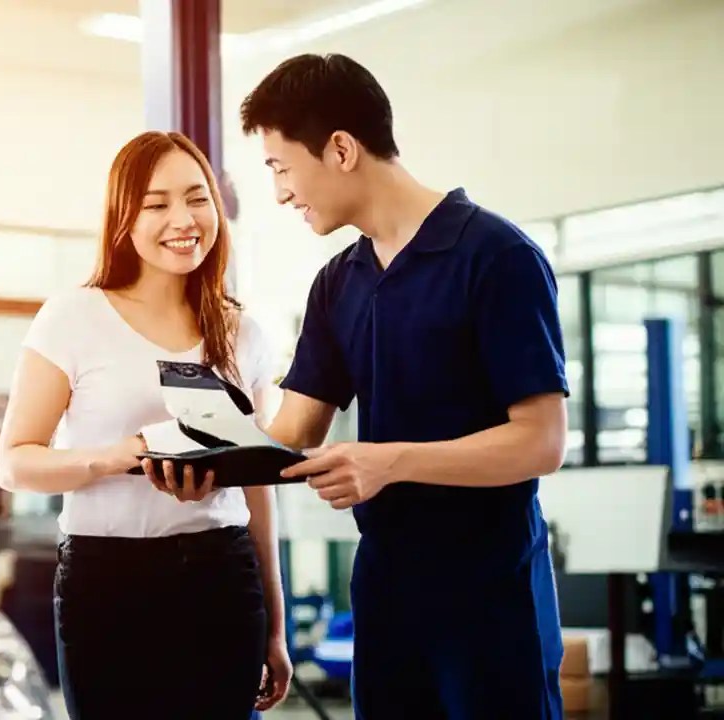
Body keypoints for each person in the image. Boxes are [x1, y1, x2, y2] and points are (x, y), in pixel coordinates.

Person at [228, 52, 570, 719]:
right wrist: (196, 454)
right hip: (386, 586)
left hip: (491, 587)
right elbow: (293, 434)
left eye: (281, 168)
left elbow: (541, 441)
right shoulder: (338, 283)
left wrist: (389, 462)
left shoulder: (498, 257)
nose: (280, 193)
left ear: (341, 149)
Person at [0, 130, 293, 719]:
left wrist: (276, 629)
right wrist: (126, 455)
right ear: (123, 217)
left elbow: (258, 488)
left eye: (196, 197)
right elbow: (15, 463)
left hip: (222, 574)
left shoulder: (242, 331)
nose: (182, 218)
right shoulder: (73, 317)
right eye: (156, 204)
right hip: (107, 581)